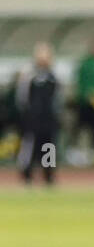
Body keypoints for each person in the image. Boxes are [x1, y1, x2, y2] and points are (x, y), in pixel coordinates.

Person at [16, 42, 61, 187]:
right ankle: (27, 174)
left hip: (48, 118)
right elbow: (22, 98)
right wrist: (28, 113)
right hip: (33, 118)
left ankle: (48, 175)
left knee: (49, 146)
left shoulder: (53, 76)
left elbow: (57, 98)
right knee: (30, 145)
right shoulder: (29, 75)